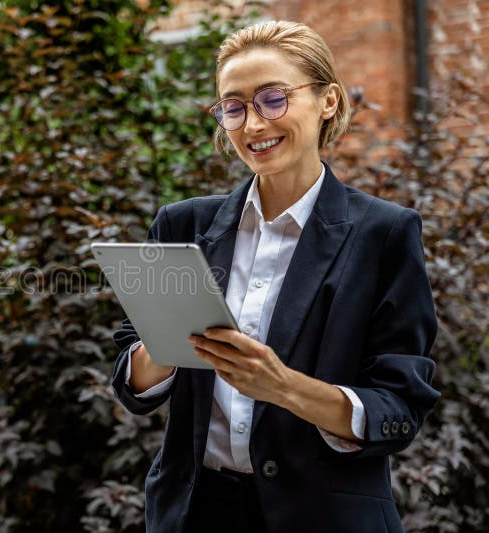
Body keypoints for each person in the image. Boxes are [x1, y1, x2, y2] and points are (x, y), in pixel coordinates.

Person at [110, 20, 439, 533]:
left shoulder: (385, 234)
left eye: (273, 99)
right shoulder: (182, 225)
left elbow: (398, 410)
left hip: (326, 519)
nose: (253, 125)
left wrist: (283, 387)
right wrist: (171, 341)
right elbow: (132, 384)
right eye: (234, 107)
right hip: (195, 514)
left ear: (327, 100)